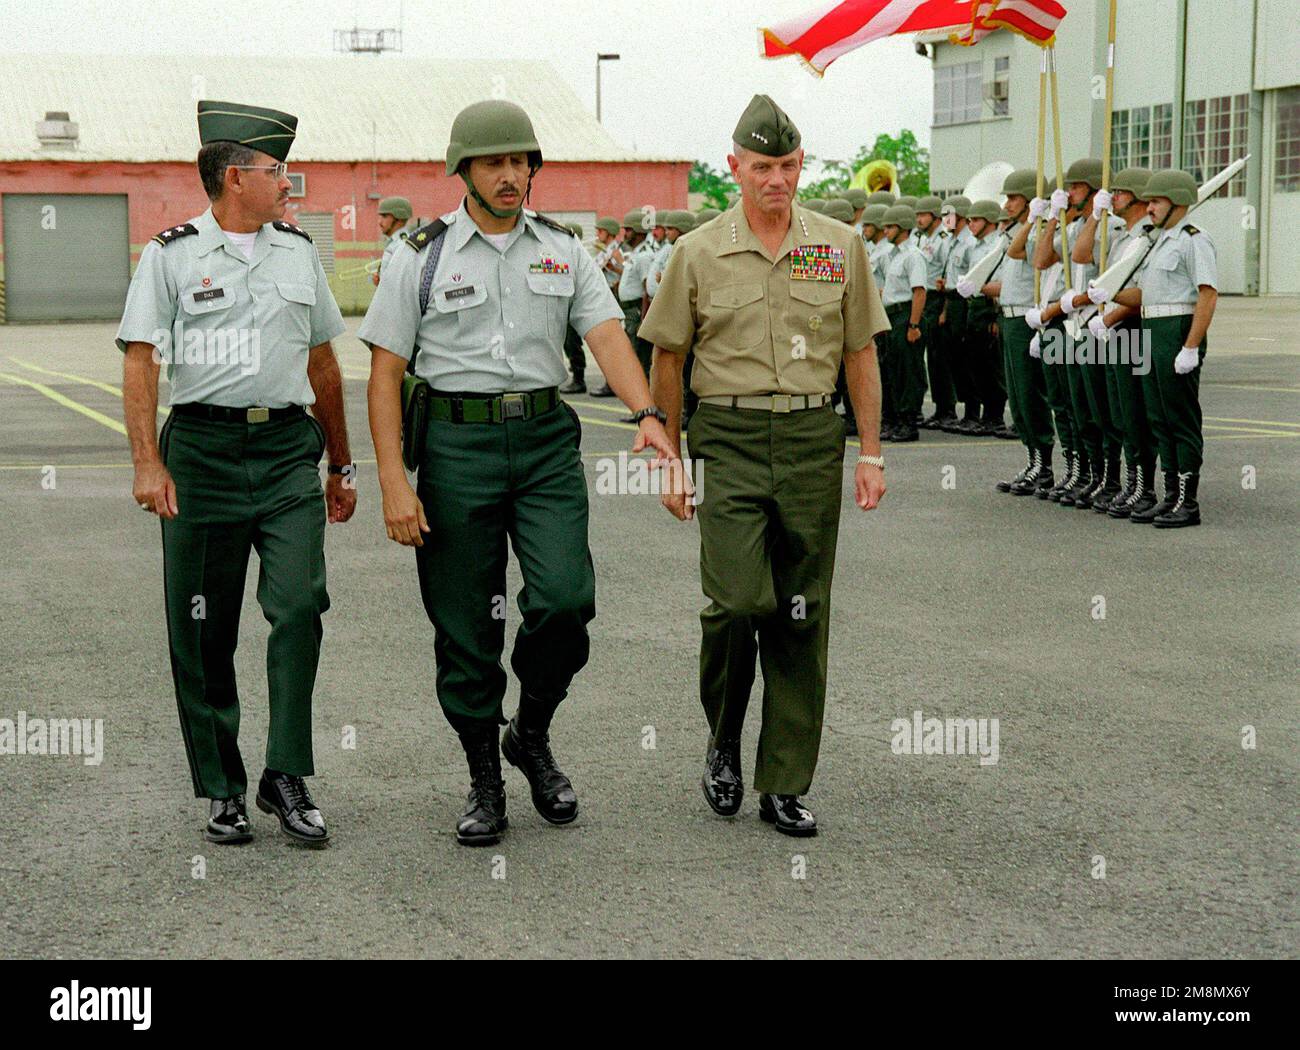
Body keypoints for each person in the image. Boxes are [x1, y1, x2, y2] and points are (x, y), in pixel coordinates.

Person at [358, 99, 675, 846]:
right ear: (463, 170)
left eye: (521, 162)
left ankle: (529, 731)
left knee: (566, 599)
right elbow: (383, 375)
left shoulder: (562, 248)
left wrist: (649, 415)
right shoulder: (420, 254)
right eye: (495, 163)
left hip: (541, 444)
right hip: (454, 451)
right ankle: (484, 779)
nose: (511, 176)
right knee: (466, 627)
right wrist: (393, 482)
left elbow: (606, 334)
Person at [641, 95, 889, 836]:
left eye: (786, 165)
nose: (774, 179)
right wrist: (671, 459)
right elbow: (669, 357)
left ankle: (783, 779)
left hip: (814, 440)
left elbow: (860, 354)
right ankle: (723, 739)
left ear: (800, 165)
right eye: (761, 166)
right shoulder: (699, 249)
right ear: (734, 168)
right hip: (728, 439)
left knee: (801, 614)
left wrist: (870, 452)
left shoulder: (840, 244)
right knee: (739, 602)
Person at [117, 100, 355, 846]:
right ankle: (220, 784)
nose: (288, 181)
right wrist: (147, 462)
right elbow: (140, 359)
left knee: (298, 605)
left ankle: (285, 773)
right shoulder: (171, 255)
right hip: (203, 456)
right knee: (203, 628)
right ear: (232, 178)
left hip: (287, 451)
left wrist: (342, 463)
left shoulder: (297, 251)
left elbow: (322, 363)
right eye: (274, 169)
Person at [1111, 169, 1217, 528]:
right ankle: (1171, 496)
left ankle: (1187, 502)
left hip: (1177, 329)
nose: (1149, 207)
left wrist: (1190, 346)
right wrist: (1105, 291)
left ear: (1176, 202)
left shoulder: (1193, 239)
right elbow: (1144, 295)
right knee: (1158, 418)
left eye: (1155, 201)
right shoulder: (1157, 241)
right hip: (1152, 327)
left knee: (1179, 419)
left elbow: (1207, 293)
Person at [1080, 168, 1158, 517]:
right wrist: (1096, 217)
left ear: (1140, 197)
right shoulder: (1119, 235)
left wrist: (1108, 316)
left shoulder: (1148, 237)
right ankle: (1129, 482)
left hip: (1130, 328)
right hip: (1110, 328)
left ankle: (1144, 486)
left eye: (1121, 192)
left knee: (1135, 413)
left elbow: (1143, 293)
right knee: (1117, 412)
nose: (1114, 198)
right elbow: (1082, 255)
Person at [985, 168, 1056, 495]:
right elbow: (1010, 281)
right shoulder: (1016, 232)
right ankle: (1032, 460)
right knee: (1017, 396)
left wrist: (1033, 219)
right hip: (1009, 317)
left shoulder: (1036, 232)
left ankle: (1044, 463)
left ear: (1030, 200)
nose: (1008, 203)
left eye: (1014, 197)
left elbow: (1020, 254)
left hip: (1028, 320)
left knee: (1031, 394)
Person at [877, 204, 926, 443]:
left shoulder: (913, 256)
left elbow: (919, 292)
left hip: (906, 314)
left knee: (908, 370)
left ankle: (909, 423)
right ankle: (895, 419)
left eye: (890, 226)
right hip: (891, 315)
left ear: (903, 227)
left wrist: (913, 325)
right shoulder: (891, 256)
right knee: (892, 369)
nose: (885, 230)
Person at [913, 195, 953, 429]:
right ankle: (933, 407)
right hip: (923, 298)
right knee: (924, 356)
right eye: (917, 215)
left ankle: (945, 408)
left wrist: (944, 308)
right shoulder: (921, 239)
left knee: (939, 357)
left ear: (935, 216)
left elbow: (946, 274)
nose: (919, 219)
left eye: (923, 215)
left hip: (936, 299)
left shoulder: (943, 240)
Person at [375, 196, 420, 285]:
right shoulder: (394, 243)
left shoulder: (402, 245)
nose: (379, 222)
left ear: (398, 218)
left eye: (384, 216)